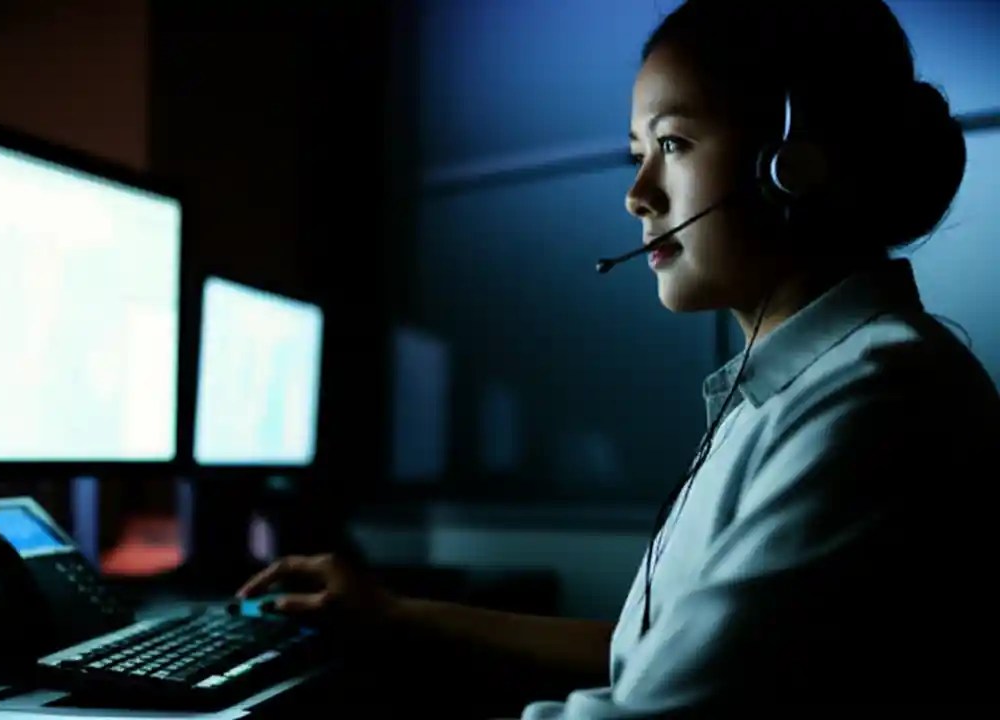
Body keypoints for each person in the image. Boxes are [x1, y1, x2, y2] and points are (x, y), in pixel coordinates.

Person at [238, 0, 1000, 715]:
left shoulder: (875, 402)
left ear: (791, 165)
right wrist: (396, 615)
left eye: (672, 145)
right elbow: (661, 656)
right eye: (639, 154)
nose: (637, 195)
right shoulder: (794, 388)